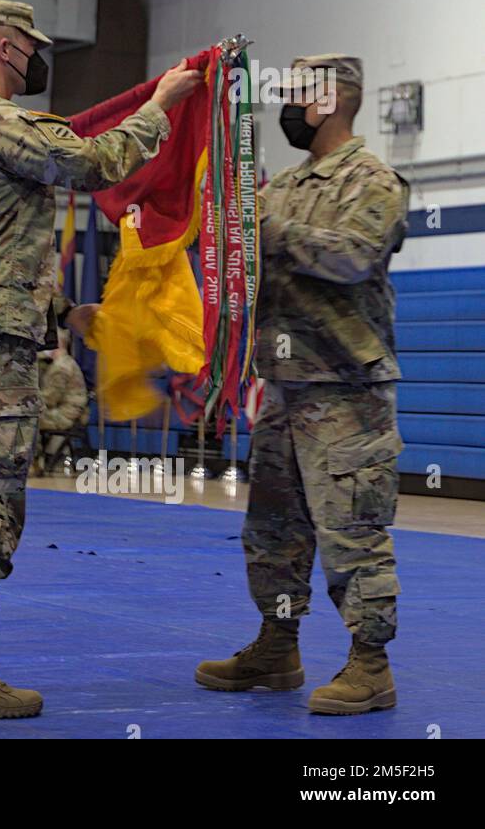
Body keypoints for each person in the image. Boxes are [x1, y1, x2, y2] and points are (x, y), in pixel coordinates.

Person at [0, 0, 202, 720]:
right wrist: (162, 103)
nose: (40, 57)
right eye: (34, 45)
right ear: (6, 48)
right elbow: (97, 162)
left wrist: (66, 312)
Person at [196, 54, 409, 715]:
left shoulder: (374, 180)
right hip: (285, 388)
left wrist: (272, 231)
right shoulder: (282, 187)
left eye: (292, 96)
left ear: (327, 102)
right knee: (273, 532)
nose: (284, 107)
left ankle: (370, 664)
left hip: (347, 392)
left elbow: (352, 256)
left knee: (353, 530)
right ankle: (277, 644)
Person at [34, 331, 89, 475]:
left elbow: (50, 399)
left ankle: (34, 464)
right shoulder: (66, 362)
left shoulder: (60, 368)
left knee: (30, 421)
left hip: (66, 414)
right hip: (72, 412)